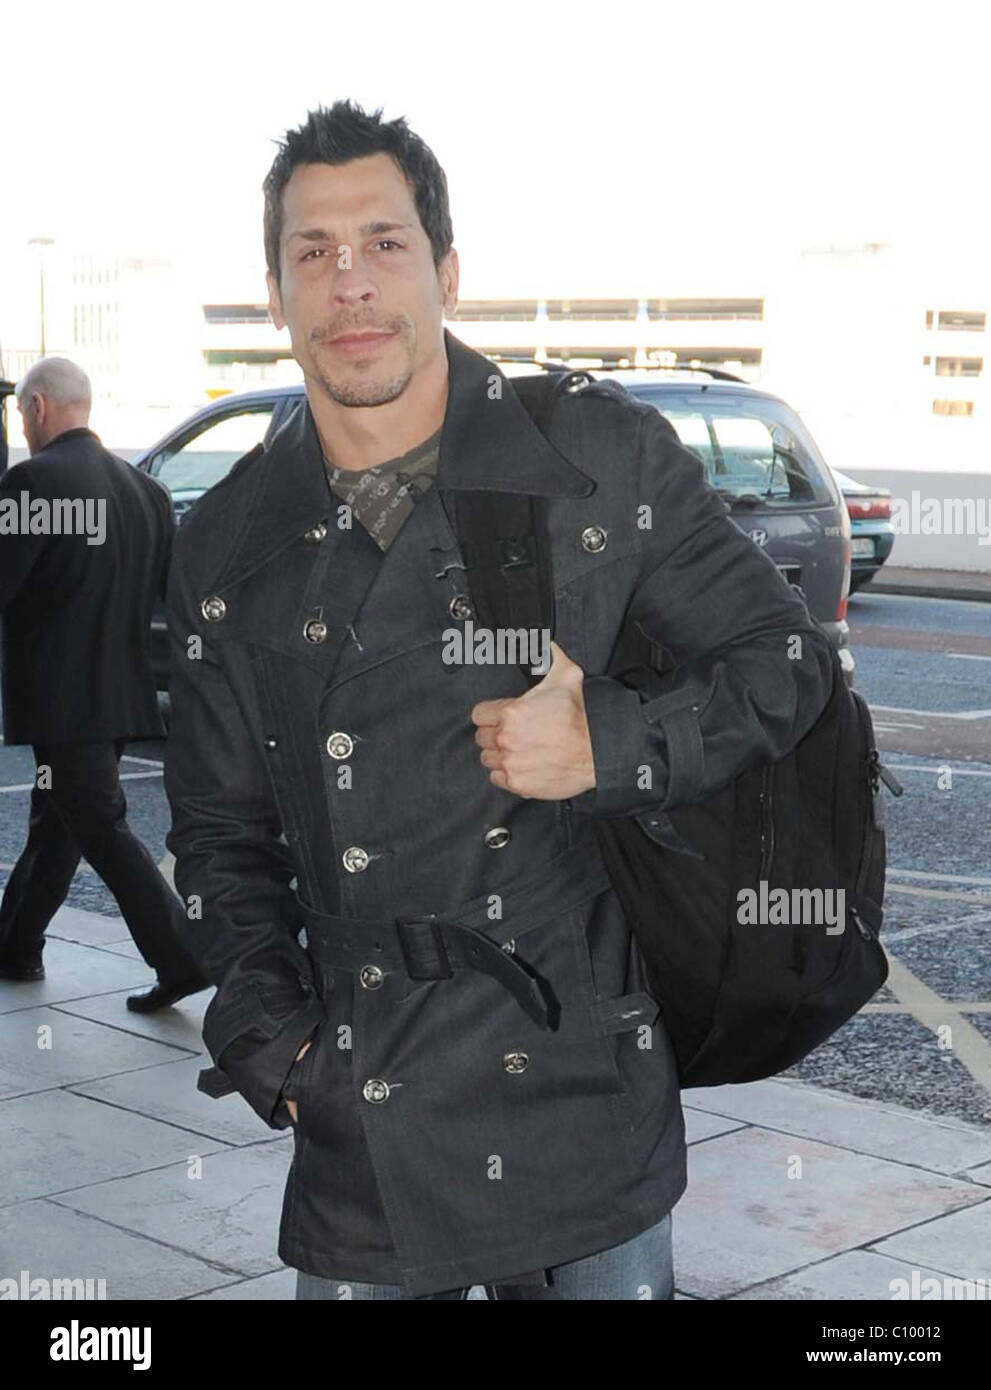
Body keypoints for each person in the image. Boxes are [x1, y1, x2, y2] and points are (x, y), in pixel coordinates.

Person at [163, 100, 834, 1300]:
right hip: (364, 1103)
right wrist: (279, 1046)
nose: (349, 283)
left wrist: (612, 744)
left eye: (384, 242)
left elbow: (785, 663)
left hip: (581, 1076)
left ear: (446, 270)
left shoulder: (595, 459)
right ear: (275, 295)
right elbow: (217, 831)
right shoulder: (225, 538)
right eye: (312, 252)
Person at [0, 357, 206, 1011]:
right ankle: (14, 947)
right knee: (58, 820)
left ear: (35, 407)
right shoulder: (144, 491)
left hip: (63, 699)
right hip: (124, 692)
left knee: (98, 824)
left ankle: (181, 957)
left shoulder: (33, 481)